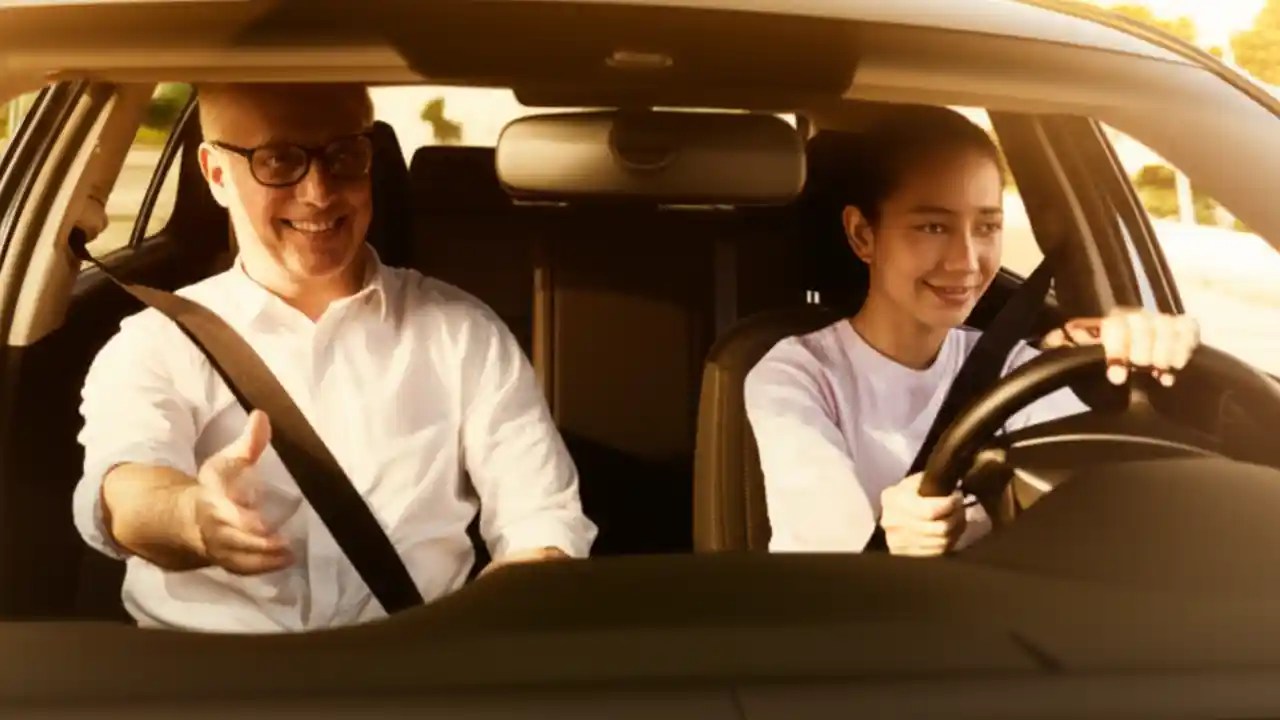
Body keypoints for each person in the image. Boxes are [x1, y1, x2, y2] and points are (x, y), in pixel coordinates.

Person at [71, 83, 597, 632]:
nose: (319, 192)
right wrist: (193, 518)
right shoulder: (155, 342)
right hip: (208, 686)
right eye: (278, 160)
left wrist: (473, 642)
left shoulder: (465, 333)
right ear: (217, 174)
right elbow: (124, 490)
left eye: (344, 156)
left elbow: (542, 525)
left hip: (412, 675)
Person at [744, 106, 1199, 557]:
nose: (966, 260)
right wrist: (894, 537)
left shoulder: (1015, 369)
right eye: (933, 226)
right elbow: (829, 552)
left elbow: (1102, 498)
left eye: (987, 227)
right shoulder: (794, 375)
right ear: (863, 234)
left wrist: (1142, 359)